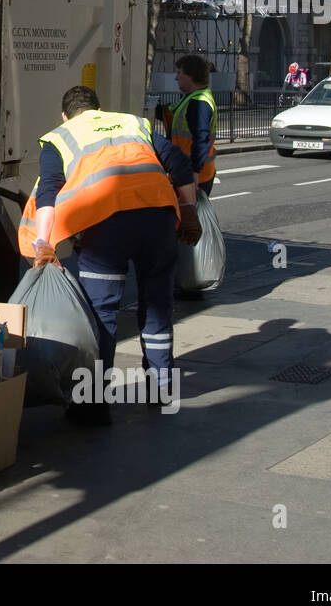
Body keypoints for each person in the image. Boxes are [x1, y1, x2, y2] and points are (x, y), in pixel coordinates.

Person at [17, 86, 201, 424]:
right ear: (99, 110)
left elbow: (48, 193)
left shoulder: (59, 137)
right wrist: (188, 208)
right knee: (157, 304)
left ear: (65, 115)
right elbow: (178, 161)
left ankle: (93, 404)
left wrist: (44, 243)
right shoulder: (134, 123)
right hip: (158, 218)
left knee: (102, 314)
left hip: (106, 227)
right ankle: (161, 389)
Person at [166, 54, 217, 197]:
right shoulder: (195, 97)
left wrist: (194, 172)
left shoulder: (199, 102)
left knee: (186, 217)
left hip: (191, 175)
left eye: (179, 73)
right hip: (190, 172)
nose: (176, 78)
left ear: (191, 76)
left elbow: (201, 138)